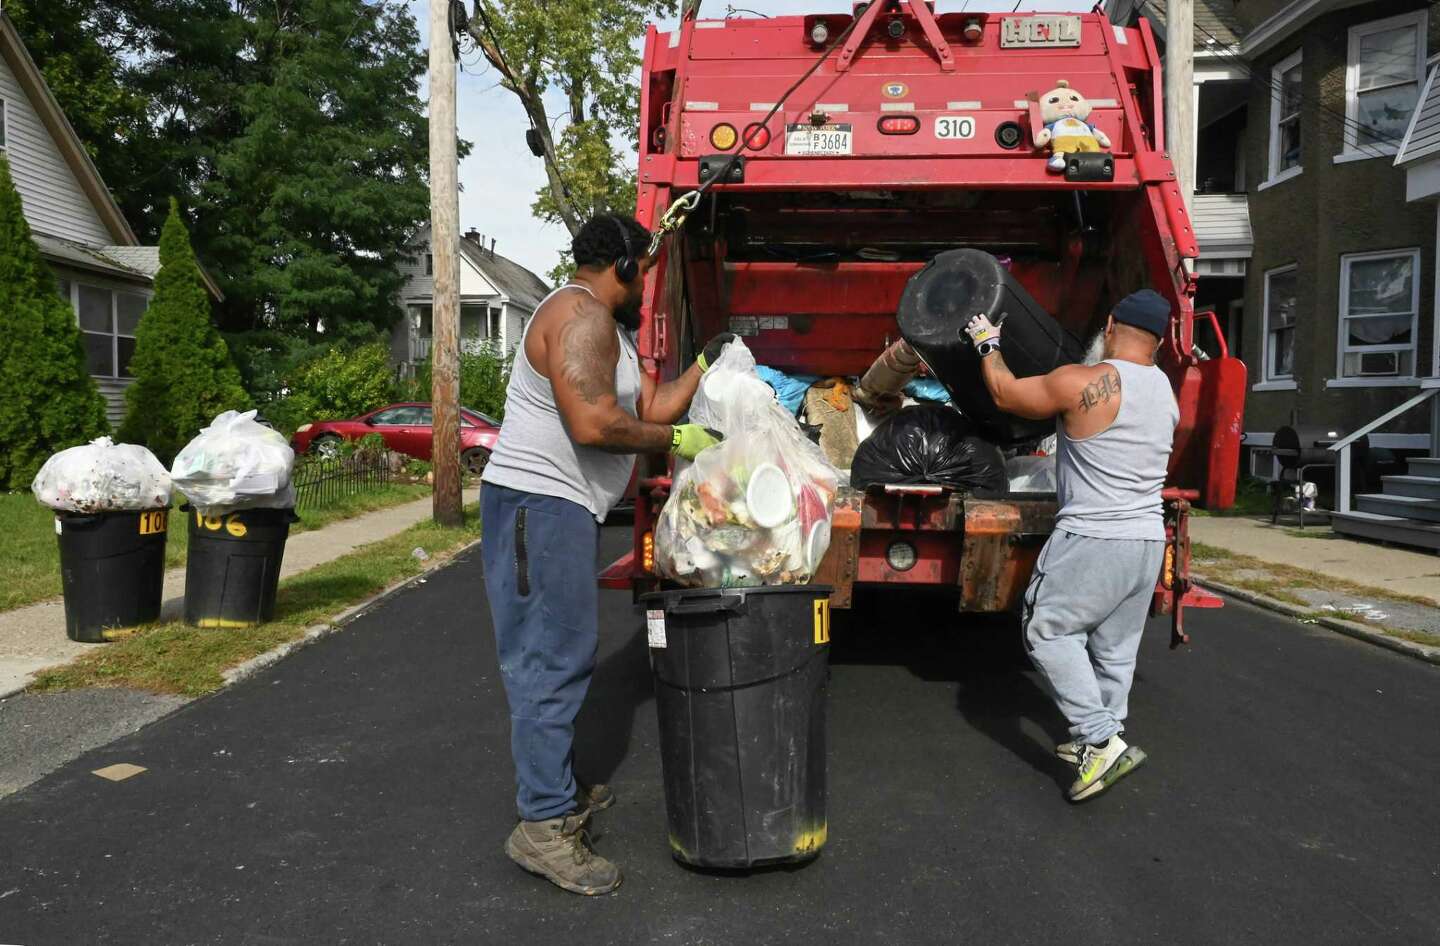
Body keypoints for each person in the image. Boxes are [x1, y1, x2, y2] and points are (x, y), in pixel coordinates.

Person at [479, 214, 733, 895]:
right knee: (548, 663)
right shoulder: (579, 317)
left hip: (560, 508)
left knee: (565, 654)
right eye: (644, 269)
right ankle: (541, 826)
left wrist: (708, 361)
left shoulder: (609, 334)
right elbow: (595, 425)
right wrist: (680, 443)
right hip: (538, 506)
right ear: (624, 266)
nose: (646, 282)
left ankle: (554, 791)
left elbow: (652, 406)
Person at [964, 289, 1179, 803]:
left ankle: (1098, 741)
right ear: (1161, 339)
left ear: (1110, 324)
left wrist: (986, 345)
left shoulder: (1085, 382)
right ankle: (1109, 732)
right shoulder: (1165, 390)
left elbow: (1006, 395)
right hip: (1147, 538)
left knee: (1049, 631)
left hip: (1094, 536)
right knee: (1114, 649)